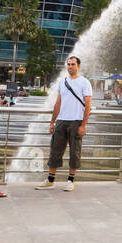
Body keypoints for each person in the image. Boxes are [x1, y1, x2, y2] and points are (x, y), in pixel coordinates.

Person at [38, 56, 91, 191]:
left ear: (78, 66)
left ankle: (70, 180)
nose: (70, 67)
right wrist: (52, 122)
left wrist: (83, 125)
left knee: (75, 152)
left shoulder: (85, 82)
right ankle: (50, 180)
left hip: (76, 121)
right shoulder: (63, 82)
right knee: (55, 150)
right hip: (62, 120)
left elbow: (88, 105)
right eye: (68, 64)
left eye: (73, 64)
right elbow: (58, 103)